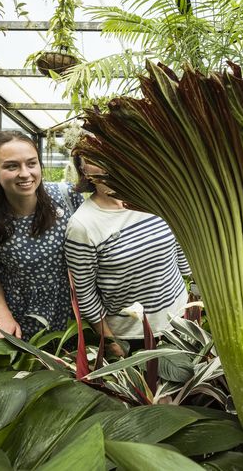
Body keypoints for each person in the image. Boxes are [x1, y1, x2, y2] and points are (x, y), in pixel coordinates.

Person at [65, 152, 192, 358]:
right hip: (132, 337)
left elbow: (178, 246)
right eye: (93, 158)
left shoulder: (152, 198)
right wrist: (111, 342)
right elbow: (84, 292)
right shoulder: (83, 225)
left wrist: (195, 298)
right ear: (83, 170)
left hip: (180, 321)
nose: (105, 161)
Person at [0, 131, 83, 340]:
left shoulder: (67, 198)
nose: (25, 173)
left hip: (82, 320)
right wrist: (3, 317)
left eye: (31, 163)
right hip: (29, 326)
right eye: (12, 166)